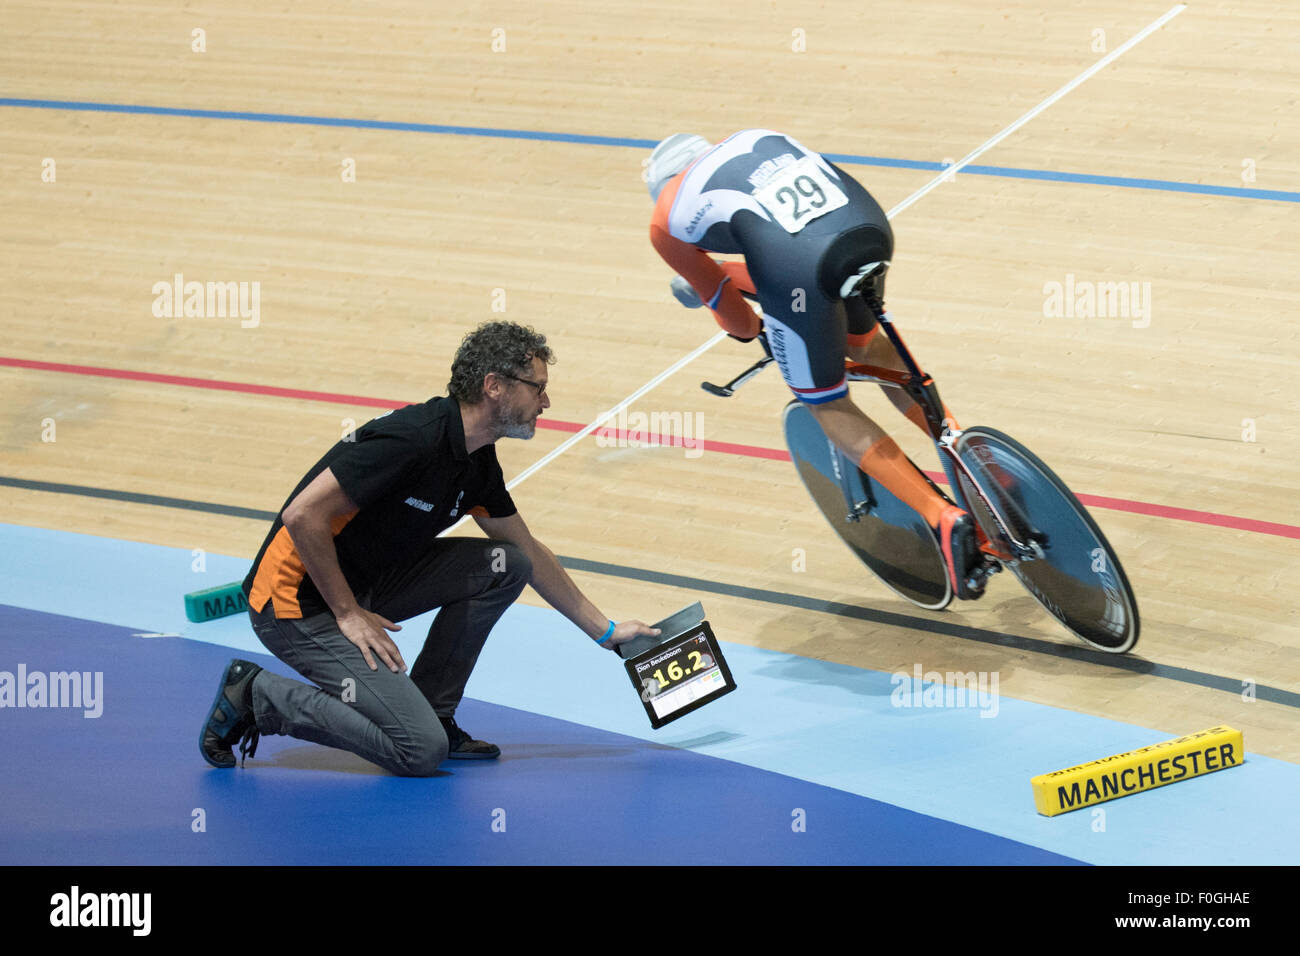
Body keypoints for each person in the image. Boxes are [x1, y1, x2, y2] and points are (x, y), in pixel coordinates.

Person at [200, 322, 660, 775]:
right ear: (494, 386)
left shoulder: (477, 456)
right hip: (296, 605)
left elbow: (528, 551)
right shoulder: (411, 439)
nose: (546, 402)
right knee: (418, 750)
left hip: (365, 587)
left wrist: (606, 631)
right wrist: (347, 613)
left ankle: (433, 711)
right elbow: (302, 515)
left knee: (506, 564)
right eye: (537, 388)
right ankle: (260, 697)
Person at [645, 130, 982, 598]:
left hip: (801, 268)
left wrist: (724, 301)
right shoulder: (756, 136)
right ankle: (967, 448)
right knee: (866, 342)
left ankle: (941, 518)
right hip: (866, 233)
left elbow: (741, 323)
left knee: (824, 399)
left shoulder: (665, 222)